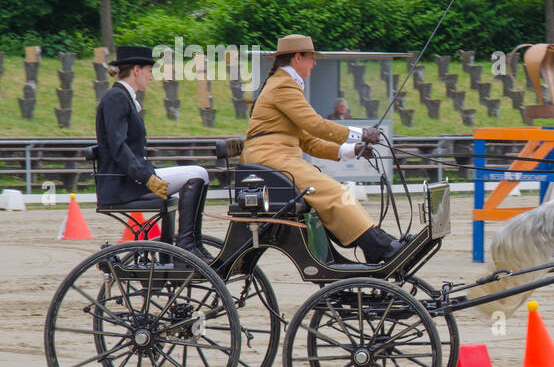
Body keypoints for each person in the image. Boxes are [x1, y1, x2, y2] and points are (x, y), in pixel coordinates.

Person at [242, 34, 405, 263]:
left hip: (278, 156)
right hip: (270, 157)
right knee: (333, 191)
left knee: (333, 190)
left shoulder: (285, 84)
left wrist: (353, 149)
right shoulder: (283, 85)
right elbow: (315, 125)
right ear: (298, 57)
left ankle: (375, 240)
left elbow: (309, 141)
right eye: (311, 58)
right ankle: (376, 244)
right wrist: (360, 133)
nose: (314, 63)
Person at [94, 45, 216, 257]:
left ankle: (188, 244)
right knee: (199, 174)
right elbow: (118, 146)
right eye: (149, 71)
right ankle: (187, 245)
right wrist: (147, 177)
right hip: (123, 184)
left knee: (199, 174)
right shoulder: (116, 97)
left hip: (131, 179)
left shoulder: (124, 97)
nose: (151, 77)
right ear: (136, 70)